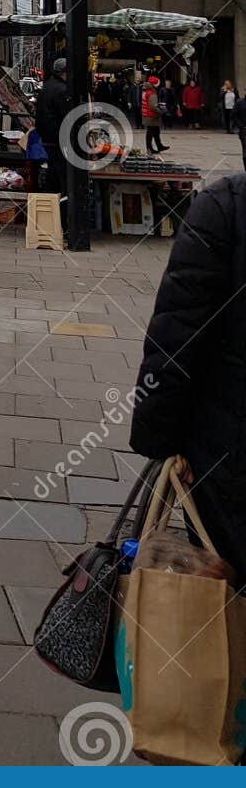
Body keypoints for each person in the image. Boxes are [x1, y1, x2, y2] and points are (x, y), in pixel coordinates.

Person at [132, 174, 246, 577]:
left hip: (230, 458)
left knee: (225, 601)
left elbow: (179, 338)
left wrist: (159, 439)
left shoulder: (226, 207)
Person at [34, 56, 69, 195]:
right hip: (56, 137)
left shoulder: (47, 85)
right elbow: (64, 115)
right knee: (60, 175)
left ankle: (51, 198)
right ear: (64, 72)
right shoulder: (62, 89)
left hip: (47, 136)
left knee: (53, 171)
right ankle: (61, 206)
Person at [141, 74, 168, 155]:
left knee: (155, 131)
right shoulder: (152, 93)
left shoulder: (145, 91)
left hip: (147, 114)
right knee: (150, 132)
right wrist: (161, 111)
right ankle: (149, 149)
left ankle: (159, 146)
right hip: (151, 116)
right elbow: (153, 106)